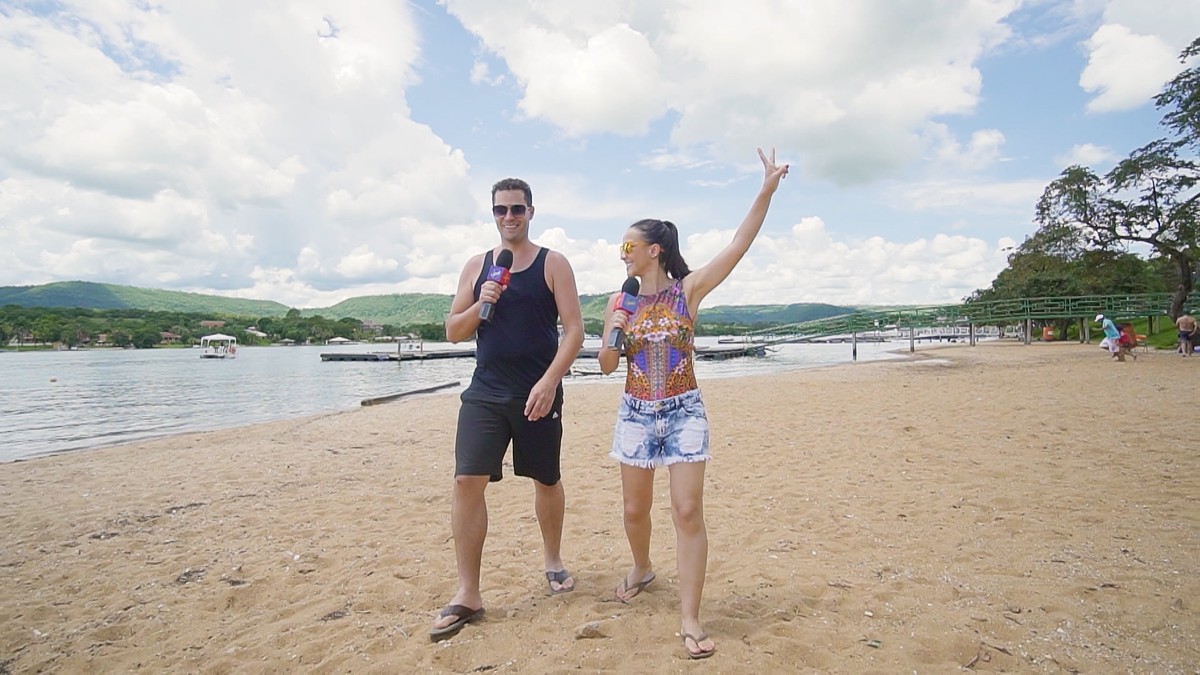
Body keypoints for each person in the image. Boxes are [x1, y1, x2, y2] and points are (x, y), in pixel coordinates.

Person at [597, 147, 789, 660]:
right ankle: (641, 566)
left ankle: (690, 617)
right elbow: (606, 367)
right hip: (635, 411)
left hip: (683, 410)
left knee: (686, 511)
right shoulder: (619, 302)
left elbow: (738, 244)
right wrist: (613, 334)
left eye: (628, 246)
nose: (623, 254)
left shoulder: (689, 291)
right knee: (635, 509)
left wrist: (765, 190)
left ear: (654, 250)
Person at [430, 177, 585, 641]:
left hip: (538, 392)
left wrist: (550, 380)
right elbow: (453, 331)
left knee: (546, 479)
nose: (509, 217)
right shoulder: (478, 267)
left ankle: (553, 560)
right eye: (501, 210)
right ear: (492, 214)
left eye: (517, 209)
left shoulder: (553, 263)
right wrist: (483, 302)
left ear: (531, 212)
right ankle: (468, 593)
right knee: (466, 480)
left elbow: (574, 331)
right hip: (485, 393)